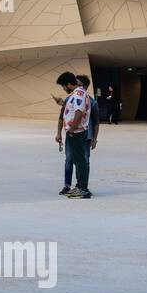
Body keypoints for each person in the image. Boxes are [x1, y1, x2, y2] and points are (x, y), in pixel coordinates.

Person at [54, 71, 91, 199]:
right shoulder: (77, 94)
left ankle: (83, 189)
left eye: (64, 86)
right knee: (78, 161)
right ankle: (79, 186)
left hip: (77, 133)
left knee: (80, 162)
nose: (64, 89)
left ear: (69, 84)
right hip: (75, 132)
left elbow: (79, 113)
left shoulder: (78, 94)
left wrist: (71, 130)